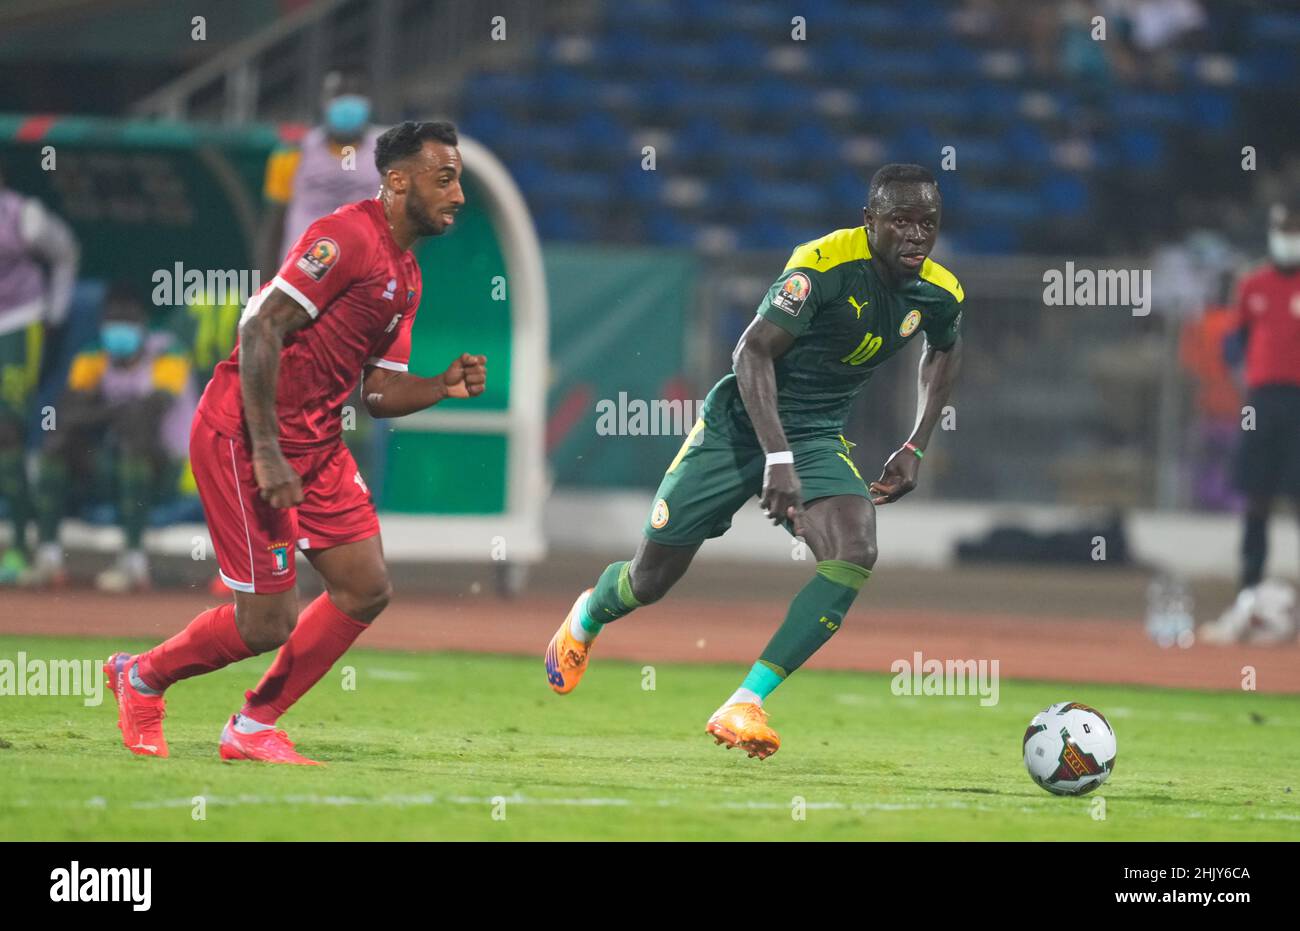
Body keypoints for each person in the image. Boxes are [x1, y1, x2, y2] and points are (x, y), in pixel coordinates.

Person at [546, 164, 964, 759]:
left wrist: (916, 443)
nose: (917, 235)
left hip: (817, 435)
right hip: (738, 427)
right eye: (901, 220)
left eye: (928, 222)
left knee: (855, 550)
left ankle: (746, 701)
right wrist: (777, 458)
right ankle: (587, 614)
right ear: (869, 221)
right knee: (650, 580)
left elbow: (945, 351)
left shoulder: (940, 292)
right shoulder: (820, 266)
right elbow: (751, 353)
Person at [104, 120, 486, 764]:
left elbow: (378, 393)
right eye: (444, 178)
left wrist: (439, 386)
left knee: (365, 588)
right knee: (267, 622)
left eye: (459, 179)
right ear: (397, 180)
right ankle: (142, 676)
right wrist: (267, 451)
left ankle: (252, 727)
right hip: (244, 436)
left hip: (316, 446)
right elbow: (259, 330)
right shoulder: (344, 238)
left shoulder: (408, 275)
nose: (459, 195)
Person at [30, 285, 196, 592]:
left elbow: (149, 413)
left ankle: (133, 561)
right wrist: (115, 410)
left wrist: (99, 409)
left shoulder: (168, 353)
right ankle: (48, 556)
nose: (118, 329)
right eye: (112, 321)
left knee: (135, 439)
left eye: (127, 321)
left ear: (142, 324)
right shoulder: (93, 355)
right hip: (112, 462)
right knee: (56, 442)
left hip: (169, 469)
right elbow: (66, 410)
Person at [0, 168, 79, 584]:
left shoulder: (22, 214)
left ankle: (18, 544)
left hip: (17, 322)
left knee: (8, 430)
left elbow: (65, 251)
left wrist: (57, 313)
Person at [1224, 201, 1300, 600]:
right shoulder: (1253, 284)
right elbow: (1234, 342)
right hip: (1262, 399)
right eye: (1284, 231)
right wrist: (1245, 384)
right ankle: (1249, 587)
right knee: (1257, 493)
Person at [260, 71, 384, 279]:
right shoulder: (293, 151)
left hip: (361, 275)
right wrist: (264, 285)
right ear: (324, 101)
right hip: (302, 273)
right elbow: (274, 223)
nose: (348, 102)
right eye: (339, 94)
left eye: (356, 93)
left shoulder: (387, 154)